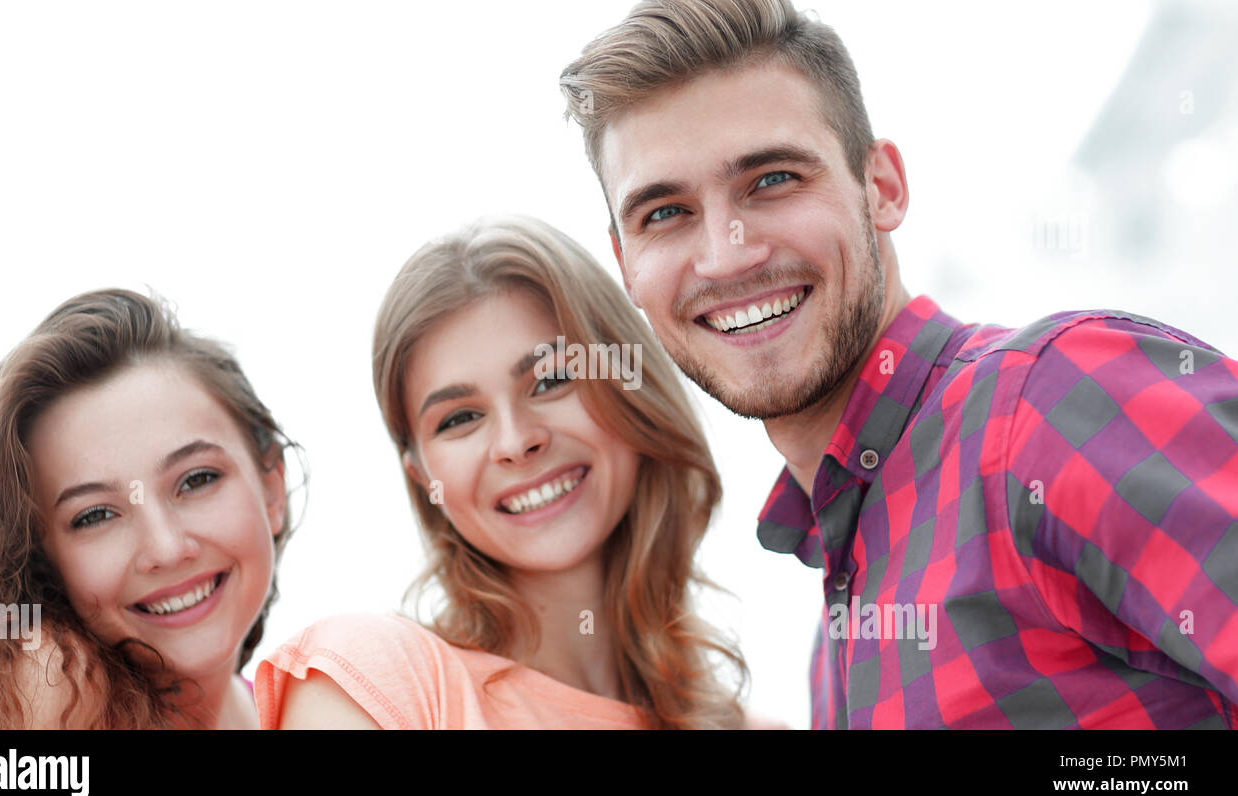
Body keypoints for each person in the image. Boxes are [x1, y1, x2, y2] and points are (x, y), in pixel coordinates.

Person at [559, 0, 1238, 728]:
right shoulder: (835, 642)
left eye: (773, 179)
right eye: (664, 213)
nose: (726, 255)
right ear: (626, 265)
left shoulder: (1054, 402)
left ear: (882, 188)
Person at [255, 215, 748, 729]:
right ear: (422, 477)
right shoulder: (366, 682)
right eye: (460, 419)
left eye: (552, 379)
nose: (516, 442)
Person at [0, 289, 300, 728]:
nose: (166, 549)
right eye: (96, 515)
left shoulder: (327, 704)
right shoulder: (42, 697)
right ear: (43, 560)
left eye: (197, 480)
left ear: (272, 488)